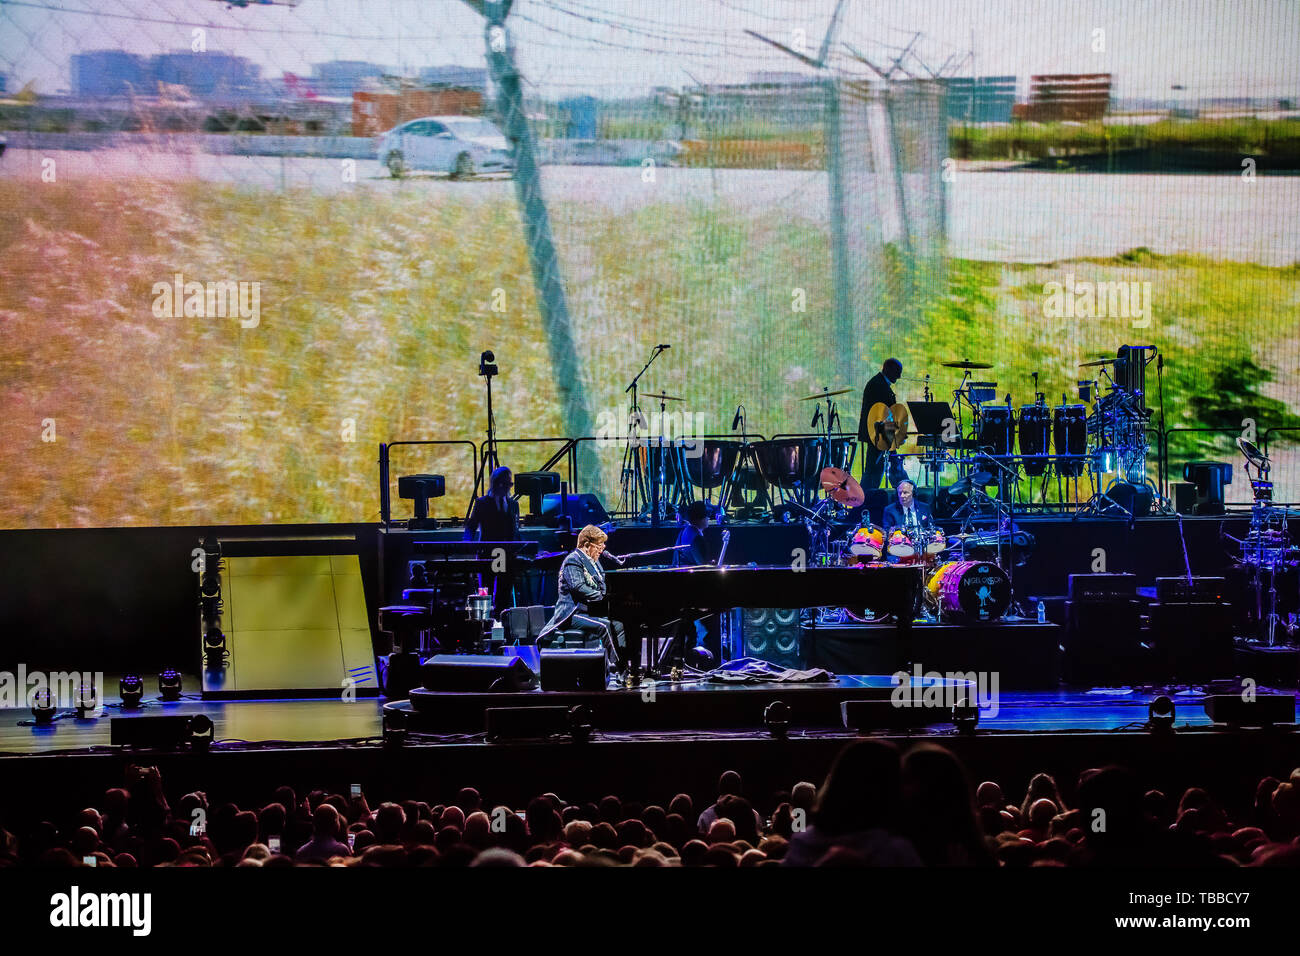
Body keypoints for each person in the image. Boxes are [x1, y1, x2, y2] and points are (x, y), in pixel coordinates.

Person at [536, 524, 632, 677]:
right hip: (572, 614)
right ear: (587, 545)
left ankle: (626, 662)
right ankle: (622, 670)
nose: (602, 549)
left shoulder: (594, 561)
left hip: (589, 611)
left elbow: (603, 585)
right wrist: (603, 598)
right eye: (599, 546)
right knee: (605, 626)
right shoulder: (572, 561)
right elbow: (578, 587)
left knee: (620, 624)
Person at [463, 466, 521, 617]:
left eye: (508, 484)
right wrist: (467, 543)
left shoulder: (513, 505)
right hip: (487, 554)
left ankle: (502, 623)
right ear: (495, 484)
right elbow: (471, 526)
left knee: (504, 592)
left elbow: (515, 531)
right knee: (484, 590)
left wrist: (522, 547)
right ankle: (483, 624)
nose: (505, 488)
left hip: (507, 555)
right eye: (502, 484)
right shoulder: (482, 503)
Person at [673, 501, 721, 667]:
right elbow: (703, 566)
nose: (709, 519)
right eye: (707, 516)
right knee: (710, 624)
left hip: (681, 589)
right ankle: (707, 661)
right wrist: (712, 565)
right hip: (695, 592)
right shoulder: (696, 537)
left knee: (691, 629)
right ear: (702, 518)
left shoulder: (684, 532)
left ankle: (690, 659)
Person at [857, 358, 903, 490]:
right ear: (887, 369)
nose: (899, 376)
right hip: (878, 435)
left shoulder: (878, 383)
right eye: (897, 371)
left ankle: (865, 500)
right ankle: (865, 501)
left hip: (880, 435)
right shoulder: (878, 385)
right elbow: (883, 413)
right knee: (873, 471)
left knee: (875, 469)